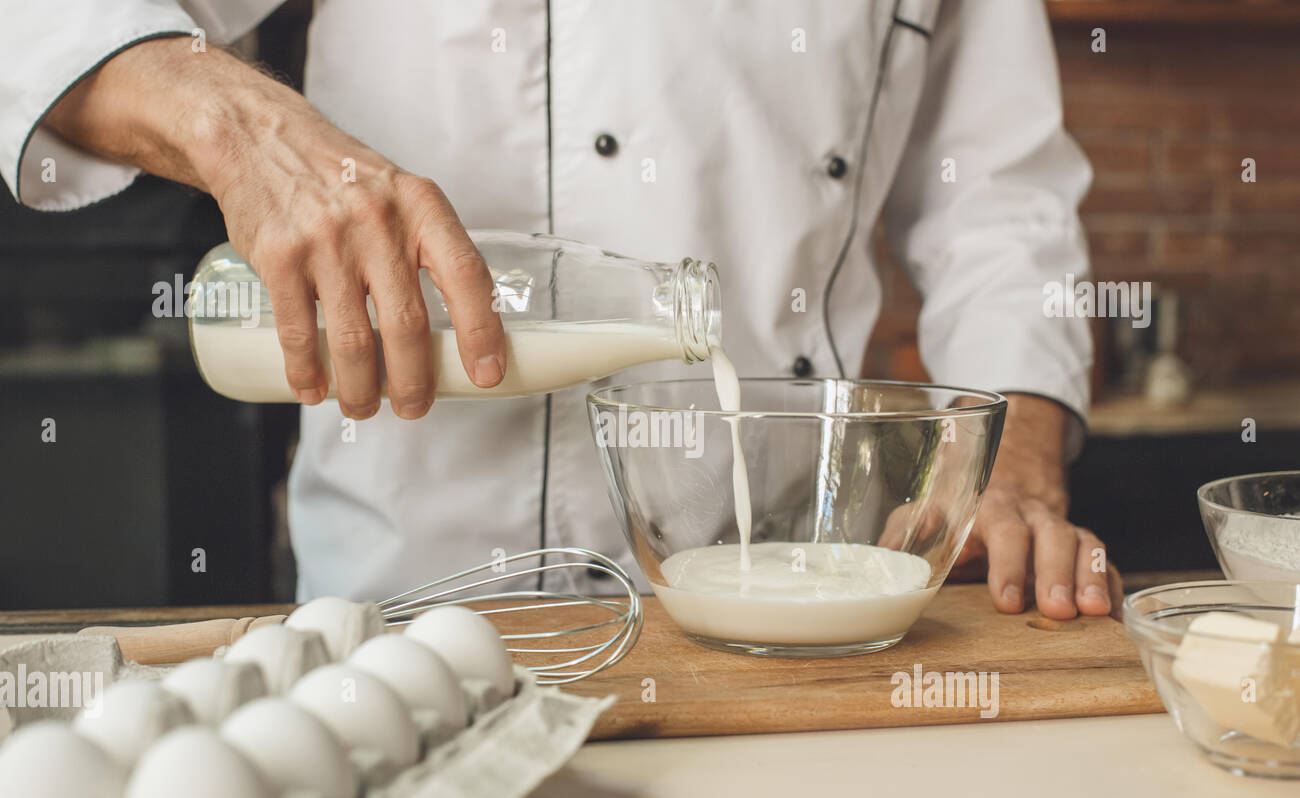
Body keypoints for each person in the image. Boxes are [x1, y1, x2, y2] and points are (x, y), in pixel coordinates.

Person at [0, 1, 1119, 618]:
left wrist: (1013, 470)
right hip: (410, 602)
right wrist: (246, 132)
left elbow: (1000, 200)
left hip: (778, 597)